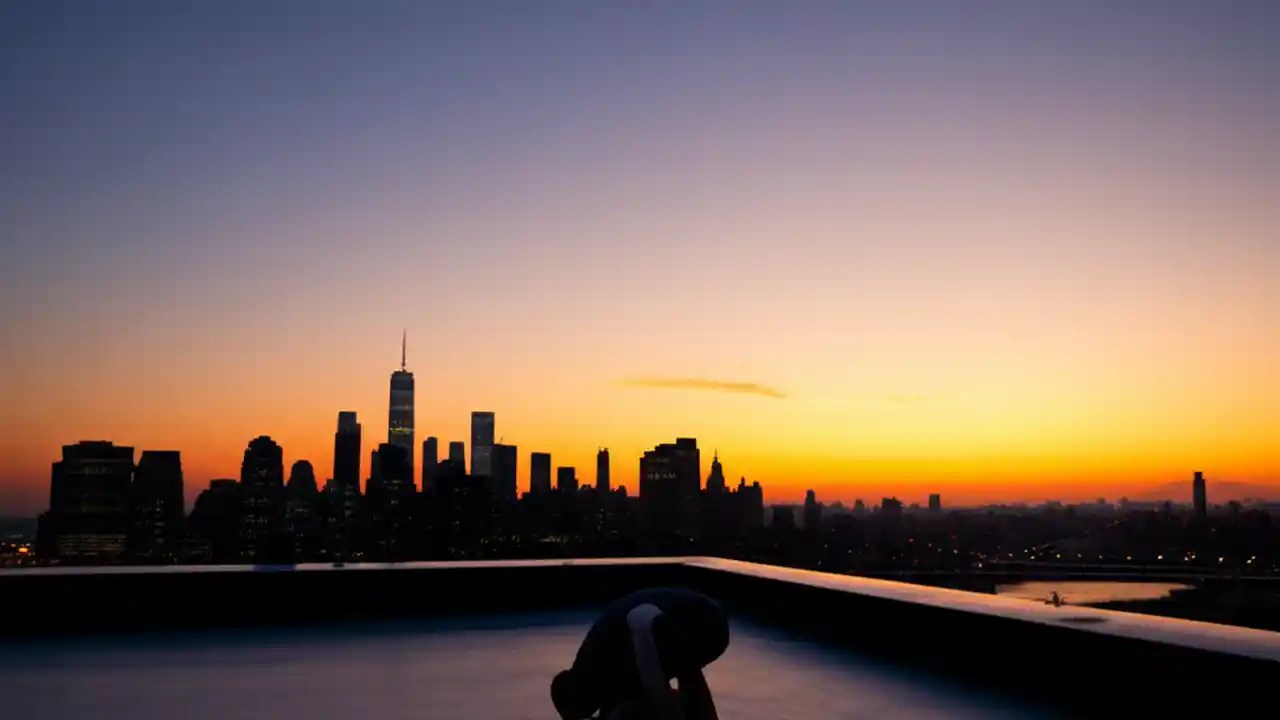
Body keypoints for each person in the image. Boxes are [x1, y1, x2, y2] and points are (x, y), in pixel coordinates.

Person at [552, 588, 729, 720]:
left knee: (658, 697)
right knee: (679, 681)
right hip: (702, 618)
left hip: (696, 621)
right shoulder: (596, 665)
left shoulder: (600, 661)